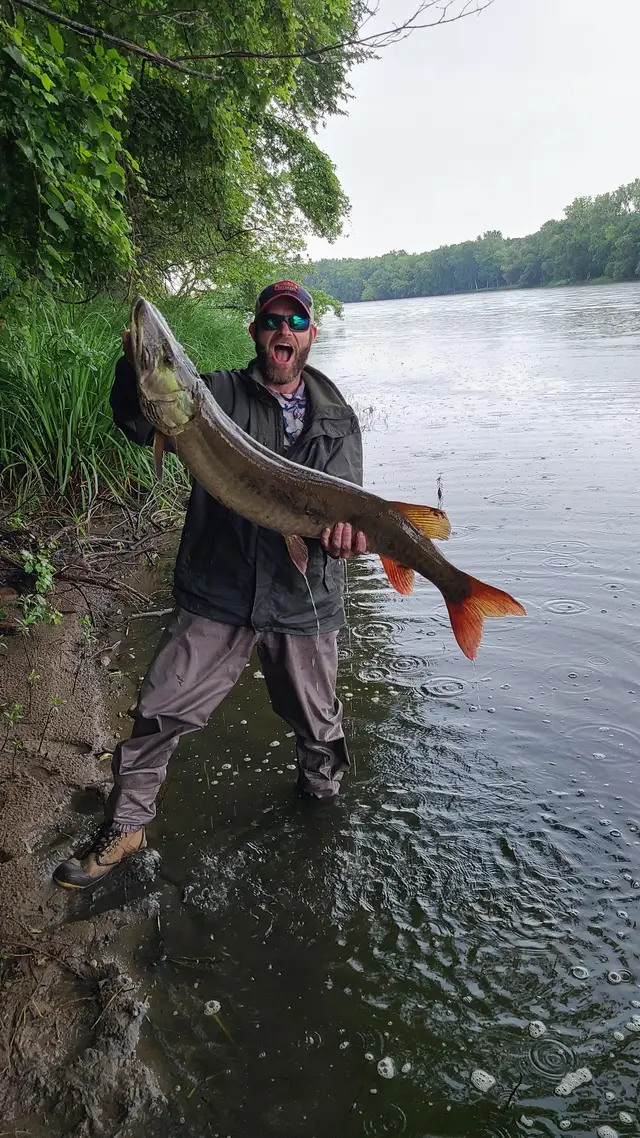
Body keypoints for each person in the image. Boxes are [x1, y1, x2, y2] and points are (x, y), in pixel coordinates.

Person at [53, 281, 366, 890]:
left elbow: (344, 508)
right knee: (159, 711)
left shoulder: (339, 419)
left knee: (318, 726)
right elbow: (138, 420)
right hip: (219, 591)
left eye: (295, 321)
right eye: (272, 320)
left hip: (304, 600)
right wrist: (137, 364)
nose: (283, 330)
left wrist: (345, 536)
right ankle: (126, 827)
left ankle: (321, 810)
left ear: (310, 335)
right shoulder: (213, 396)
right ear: (256, 332)